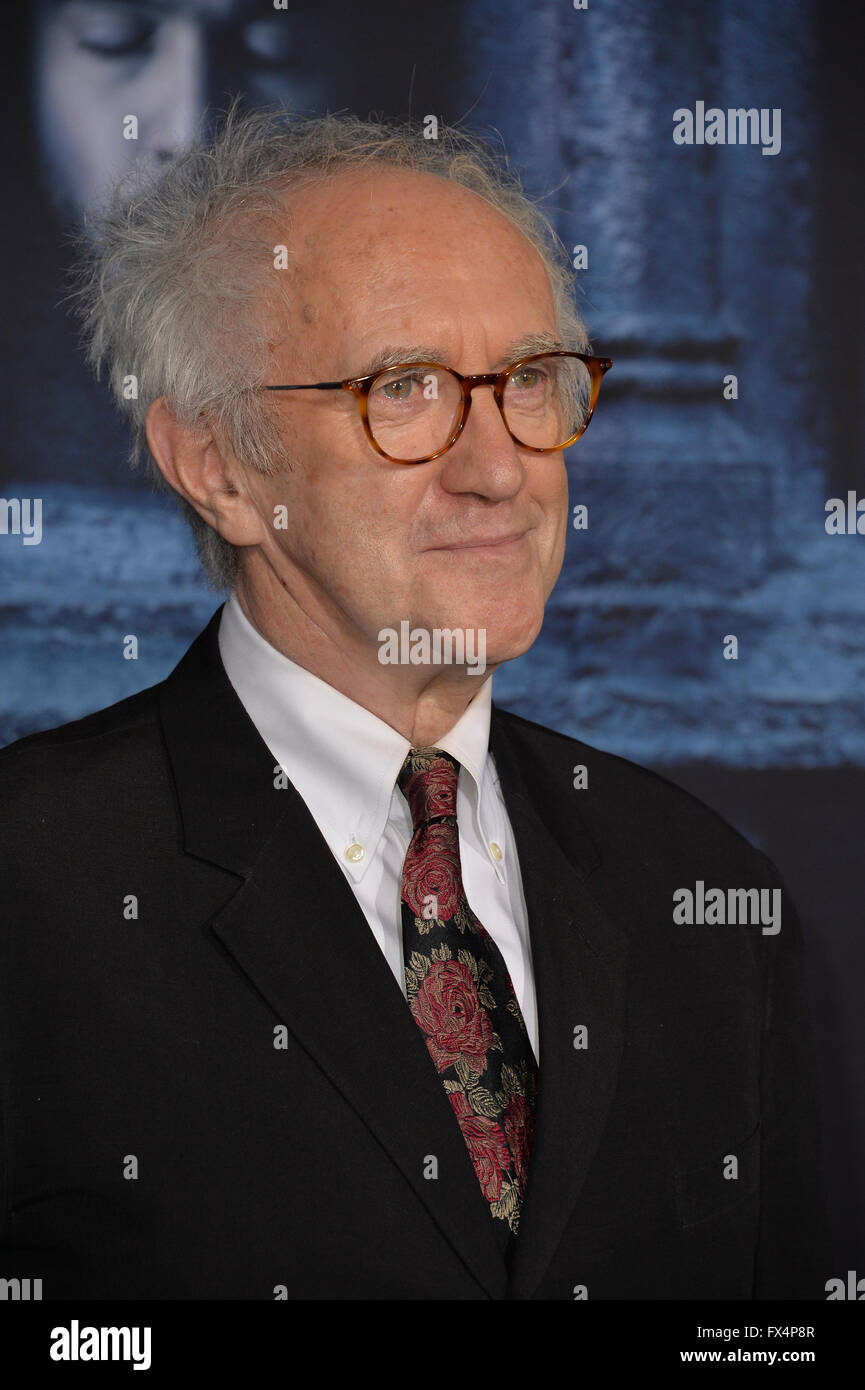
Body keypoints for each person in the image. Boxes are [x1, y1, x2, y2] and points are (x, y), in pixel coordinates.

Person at [0, 107, 826, 1300]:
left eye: (528, 382)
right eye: (407, 390)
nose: (499, 470)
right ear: (219, 466)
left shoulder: (705, 892)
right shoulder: (31, 892)